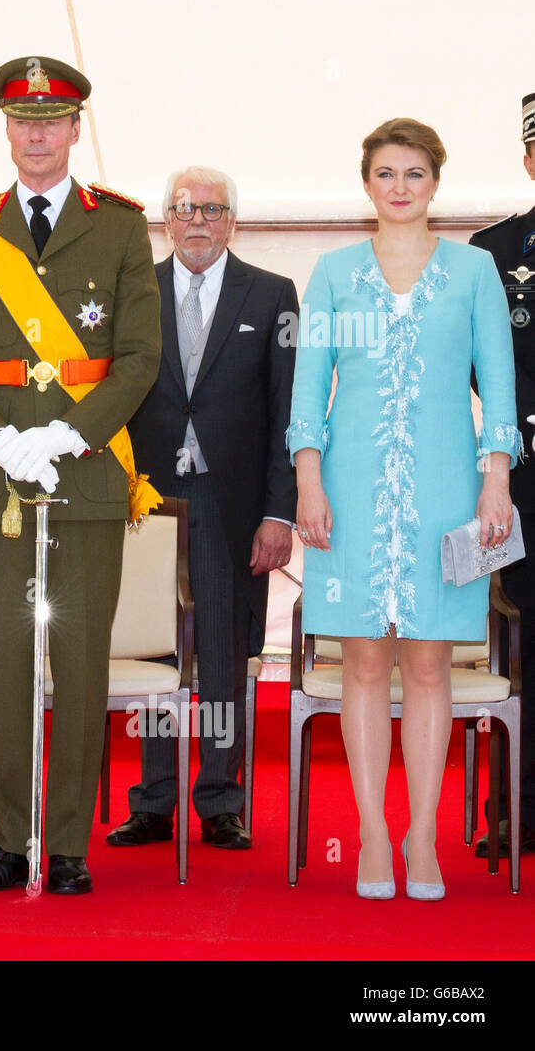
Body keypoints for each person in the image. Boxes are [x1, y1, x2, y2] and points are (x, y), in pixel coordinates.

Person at [0, 56, 161, 894]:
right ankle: (7, 838)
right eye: (22, 120)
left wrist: (69, 432)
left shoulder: (123, 227)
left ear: (75, 128)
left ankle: (66, 847)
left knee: (82, 662)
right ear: (7, 128)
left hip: (88, 476)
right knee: (9, 666)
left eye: (52, 120)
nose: (36, 134)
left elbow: (138, 360)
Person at [289, 118, 518, 900]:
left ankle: (422, 838)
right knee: (360, 662)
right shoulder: (331, 274)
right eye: (385, 173)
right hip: (347, 491)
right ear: (366, 183)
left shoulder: (476, 272)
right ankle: (373, 840)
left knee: (428, 663)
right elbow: (306, 390)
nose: (399, 187)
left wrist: (497, 479)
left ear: (435, 183)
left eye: (414, 173)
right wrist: (307, 481)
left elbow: (501, 390)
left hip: (450, 490)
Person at [111, 166, 298, 851]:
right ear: (165, 219)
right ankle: (154, 801)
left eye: (213, 209)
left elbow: (287, 414)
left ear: (232, 221)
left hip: (232, 506)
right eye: (186, 209)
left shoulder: (274, 295)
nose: (199, 221)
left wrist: (280, 515)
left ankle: (220, 798)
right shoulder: (135, 292)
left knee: (221, 653)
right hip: (147, 505)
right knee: (158, 652)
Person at [469, 91, 535, 860]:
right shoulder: (493, 253)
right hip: (522, 483)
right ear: (526, 161)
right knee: (520, 649)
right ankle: (515, 810)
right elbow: (471, 373)